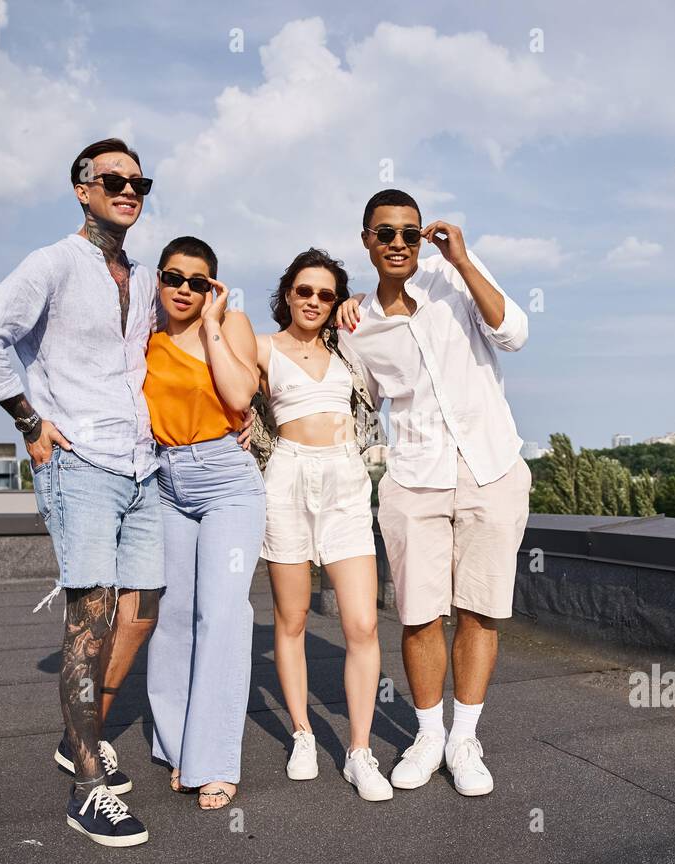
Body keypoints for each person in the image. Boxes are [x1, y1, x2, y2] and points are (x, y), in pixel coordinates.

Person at [0, 137, 160, 846]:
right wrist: (29, 422)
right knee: (90, 617)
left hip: (141, 467)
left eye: (139, 182)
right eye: (114, 180)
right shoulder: (51, 264)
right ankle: (86, 787)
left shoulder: (138, 272)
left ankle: (82, 735)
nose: (129, 190)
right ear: (82, 188)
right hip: (82, 467)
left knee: (141, 612)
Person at [333, 188, 532, 797]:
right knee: (420, 614)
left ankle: (464, 737)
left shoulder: (455, 279)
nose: (399, 243)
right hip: (414, 476)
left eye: (410, 233)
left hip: (490, 467)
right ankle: (427, 734)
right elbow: (363, 403)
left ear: (424, 237)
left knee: (480, 608)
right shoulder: (357, 325)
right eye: (386, 233)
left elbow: (514, 334)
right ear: (367, 240)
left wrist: (466, 262)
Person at [252, 248, 392, 801]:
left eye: (326, 294)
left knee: (361, 624)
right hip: (285, 478)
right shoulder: (262, 347)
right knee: (291, 619)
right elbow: (225, 384)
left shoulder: (347, 350)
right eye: (304, 290)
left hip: (345, 482)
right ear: (287, 293)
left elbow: (384, 315)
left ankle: (360, 751)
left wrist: (357, 302)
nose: (314, 300)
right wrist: (242, 423)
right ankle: (303, 734)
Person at [142, 236, 266, 811]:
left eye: (198, 281)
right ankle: (177, 747)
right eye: (174, 277)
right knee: (171, 619)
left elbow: (240, 395)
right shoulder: (143, 335)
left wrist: (214, 323)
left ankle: (213, 759)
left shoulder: (230, 322)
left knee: (221, 614)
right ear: (160, 280)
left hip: (226, 479)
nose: (184, 290)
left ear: (212, 286)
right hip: (166, 480)